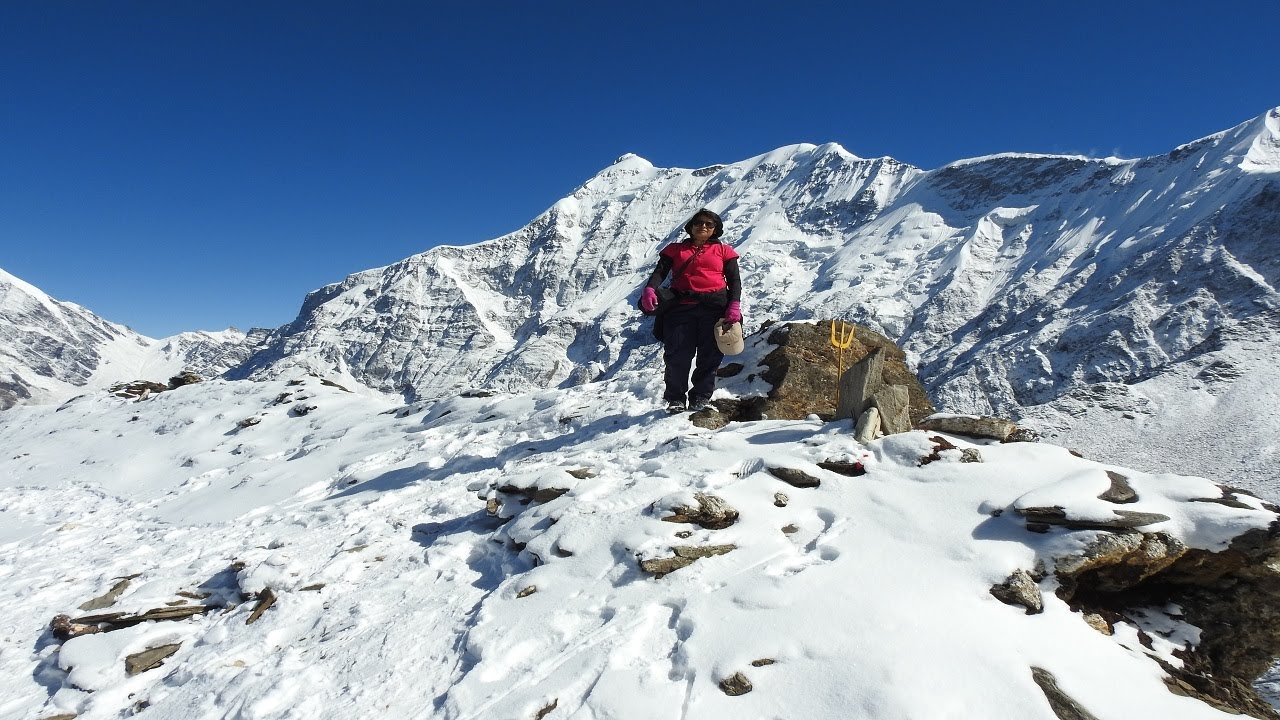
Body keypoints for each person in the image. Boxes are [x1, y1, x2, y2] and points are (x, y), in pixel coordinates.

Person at [640, 208, 743, 413]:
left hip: (714, 308)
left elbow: (734, 281)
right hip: (681, 308)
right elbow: (660, 272)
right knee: (677, 355)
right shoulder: (675, 250)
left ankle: (700, 397)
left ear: (715, 230)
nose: (703, 226)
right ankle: (675, 399)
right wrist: (650, 288)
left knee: (710, 356)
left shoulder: (724, 251)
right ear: (690, 227)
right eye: (698, 223)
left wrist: (734, 304)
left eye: (709, 224)